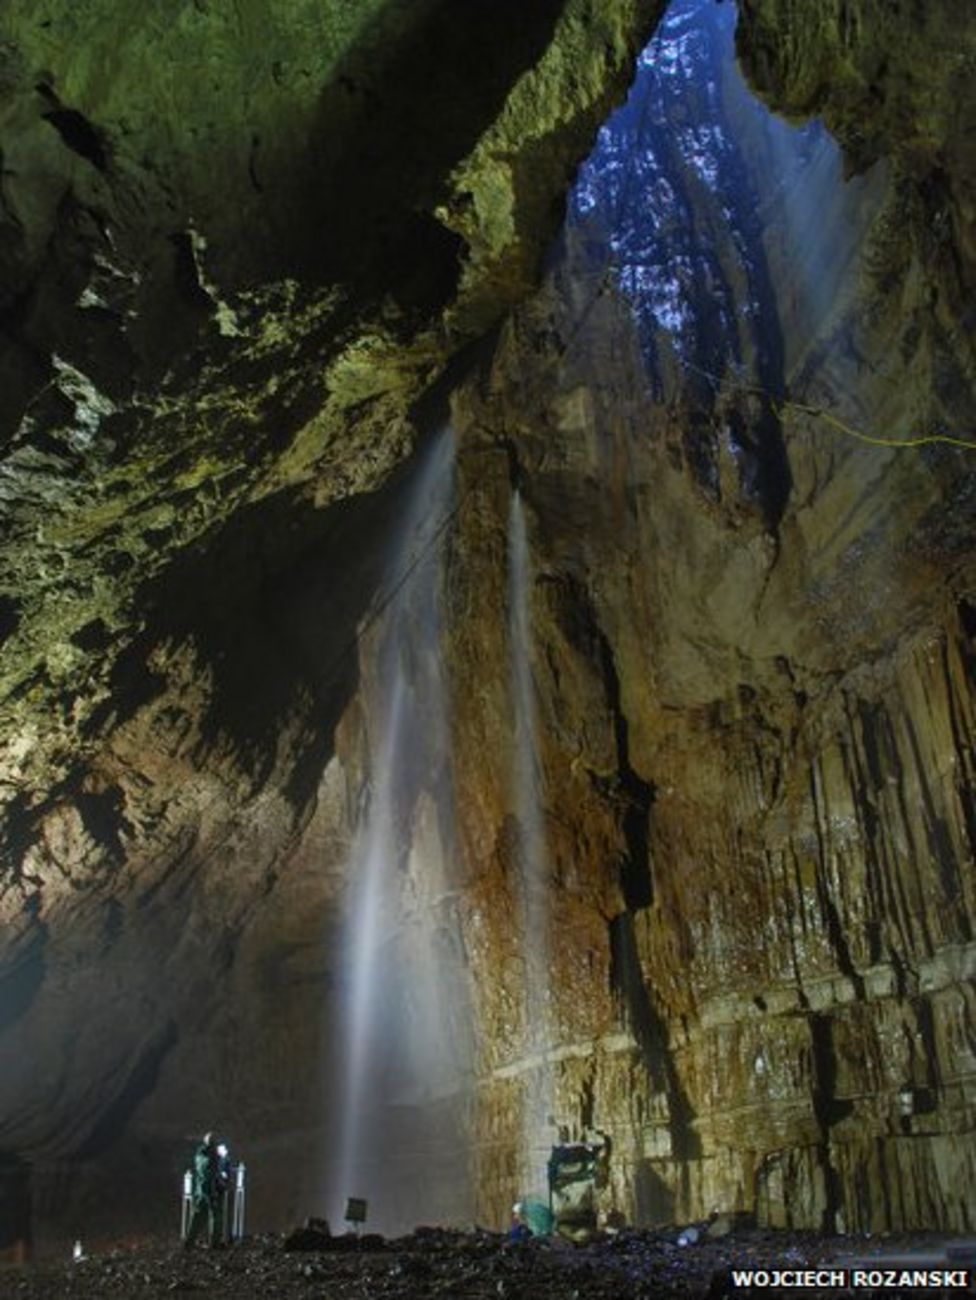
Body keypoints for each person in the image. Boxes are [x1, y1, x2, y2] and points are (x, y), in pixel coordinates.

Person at [184, 1131, 223, 1249]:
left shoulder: (199, 1154)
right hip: (210, 1190)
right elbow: (212, 1174)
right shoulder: (212, 1157)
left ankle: (189, 1241)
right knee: (216, 1216)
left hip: (200, 1189)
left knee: (197, 1215)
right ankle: (214, 1243)